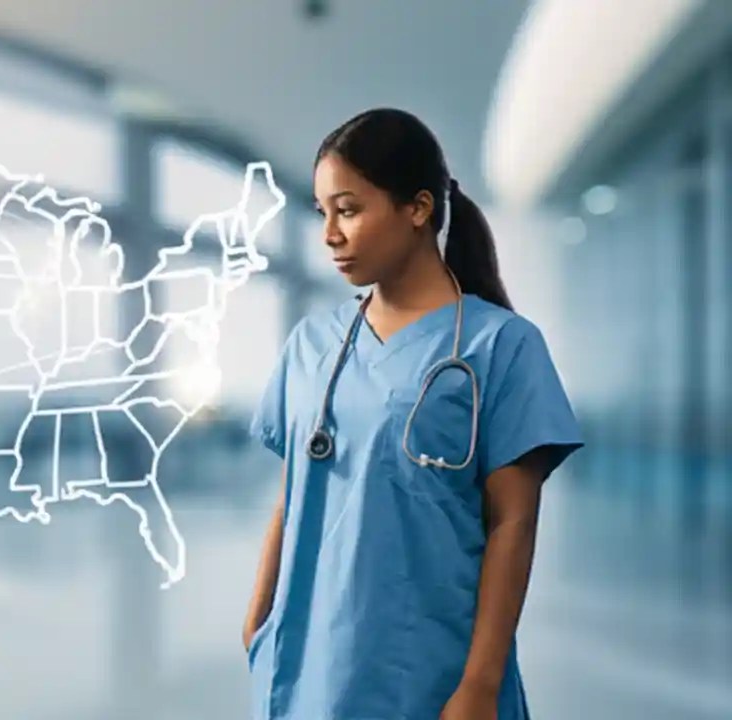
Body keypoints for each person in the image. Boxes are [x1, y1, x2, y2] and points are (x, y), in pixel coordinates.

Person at [242, 108, 585, 720]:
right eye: (322, 213)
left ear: (419, 208)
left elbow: (513, 524)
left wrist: (480, 684)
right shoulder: (312, 345)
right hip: (308, 668)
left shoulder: (500, 346)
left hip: (434, 670)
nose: (330, 235)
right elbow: (292, 495)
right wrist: (258, 619)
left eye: (348, 210)